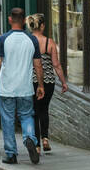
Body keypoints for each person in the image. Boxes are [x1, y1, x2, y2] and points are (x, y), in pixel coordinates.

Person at [0, 9, 44, 165]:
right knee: (27, 116)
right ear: (23, 21)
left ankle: (11, 154)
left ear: (10, 19)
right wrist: (40, 85)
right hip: (25, 87)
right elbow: (38, 65)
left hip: (7, 87)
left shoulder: (3, 39)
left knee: (7, 120)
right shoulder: (32, 40)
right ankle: (29, 138)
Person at [25, 13, 68, 154]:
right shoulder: (49, 42)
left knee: (34, 112)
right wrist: (63, 82)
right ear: (42, 26)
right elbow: (56, 65)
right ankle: (45, 138)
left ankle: (37, 146)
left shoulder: (28, 41)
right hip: (48, 81)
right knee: (44, 109)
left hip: (32, 81)